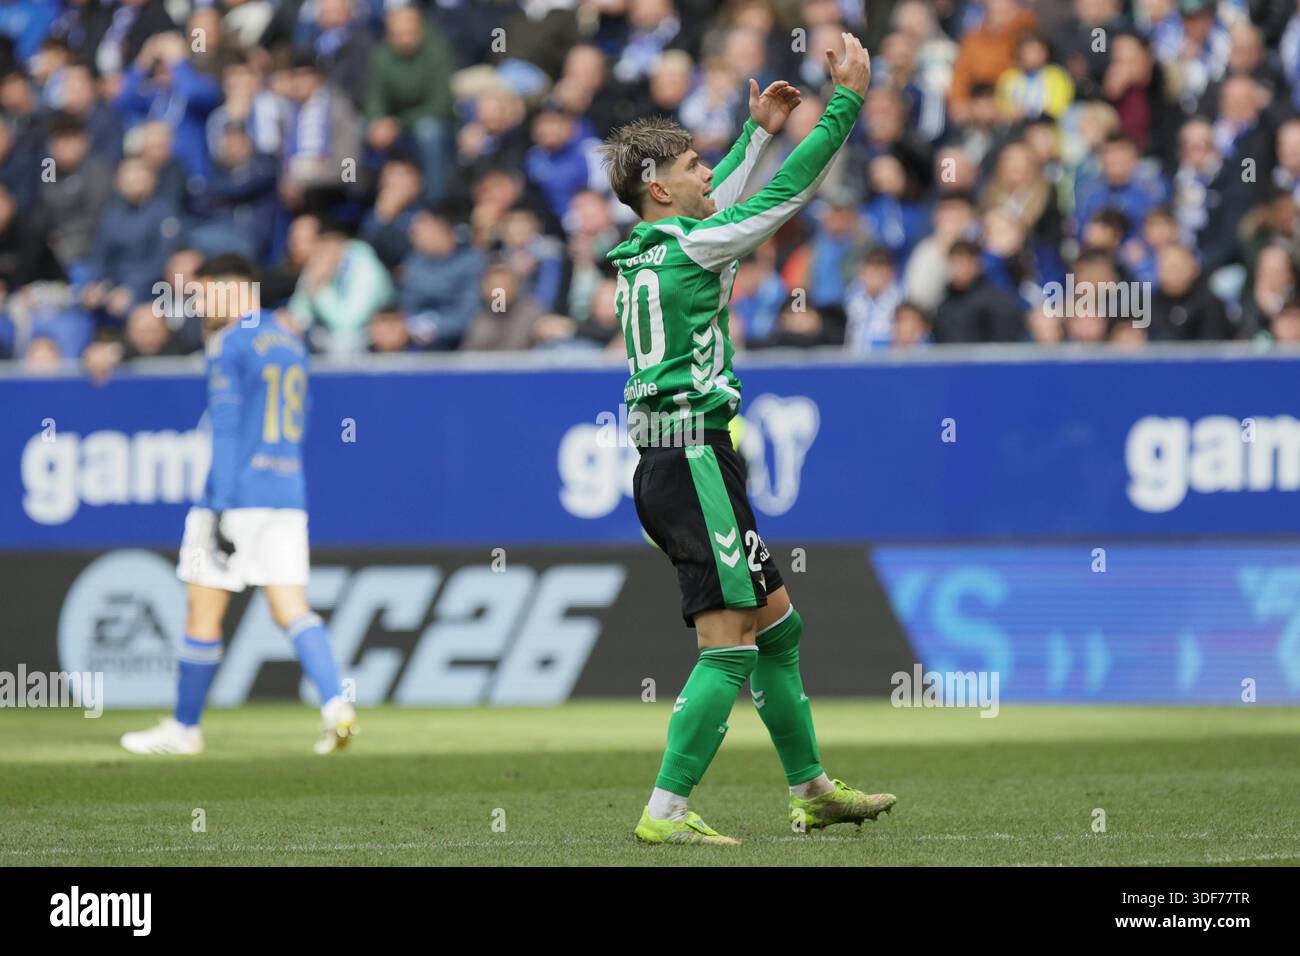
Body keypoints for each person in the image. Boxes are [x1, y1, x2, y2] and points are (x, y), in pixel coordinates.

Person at [598, 33, 896, 847]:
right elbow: (783, 197)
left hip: (681, 455)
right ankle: (665, 811)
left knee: (777, 624)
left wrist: (756, 132)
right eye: (692, 165)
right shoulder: (694, 241)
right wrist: (846, 103)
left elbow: (721, 196)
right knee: (726, 643)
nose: (707, 173)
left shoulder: (649, 248)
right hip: (691, 454)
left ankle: (812, 790)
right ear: (659, 187)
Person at [120, 254, 358, 756]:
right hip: (287, 493)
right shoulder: (290, 339)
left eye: (204, 293)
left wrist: (222, 506)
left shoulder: (228, 343)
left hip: (236, 497)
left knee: (202, 614)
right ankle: (337, 704)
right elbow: (303, 416)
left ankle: (185, 729)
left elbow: (225, 433)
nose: (199, 305)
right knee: (292, 608)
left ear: (232, 289)